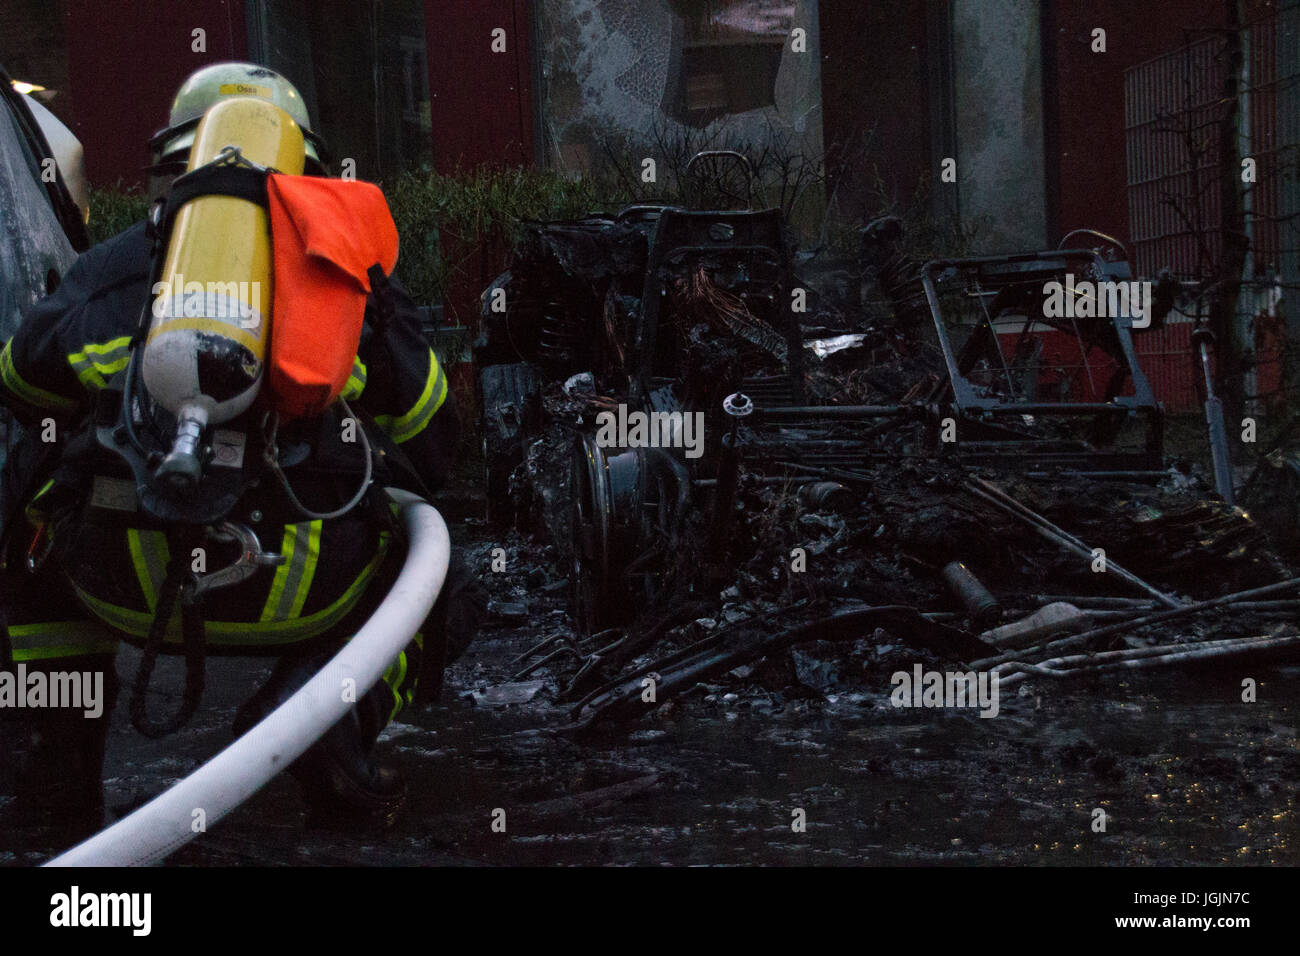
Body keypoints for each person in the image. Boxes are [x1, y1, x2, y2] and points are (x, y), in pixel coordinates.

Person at [0, 63, 470, 846]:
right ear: (309, 172)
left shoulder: (112, 272)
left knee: (32, 529)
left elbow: (20, 386)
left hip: (126, 584)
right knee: (437, 557)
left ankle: (53, 770)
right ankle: (335, 720)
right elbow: (436, 440)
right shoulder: (349, 281)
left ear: (170, 168)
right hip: (307, 590)